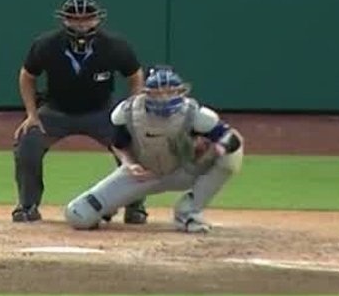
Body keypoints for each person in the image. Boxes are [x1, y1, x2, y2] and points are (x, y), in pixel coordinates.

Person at [64, 66, 245, 234]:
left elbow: (232, 138)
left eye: (170, 92)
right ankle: (109, 207)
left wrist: (214, 150)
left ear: (181, 92)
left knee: (231, 157)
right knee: (78, 215)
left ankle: (188, 212)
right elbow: (118, 144)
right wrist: (130, 164)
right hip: (144, 173)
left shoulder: (195, 114)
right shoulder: (127, 112)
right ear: (147, 93)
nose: (164, 98)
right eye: (158, 93)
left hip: (185, 170)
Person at [13, 0, 145, 223]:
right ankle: (27, 205)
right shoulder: (47, 45)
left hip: (102, 112)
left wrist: (132, 111)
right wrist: (32, 114)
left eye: (87, 19)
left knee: (135, 143)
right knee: (28, 140)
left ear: (97, 20)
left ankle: (135, 207)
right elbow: (27, 75)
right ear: (64, 20)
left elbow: (135, 75)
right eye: (74, 19)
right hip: (56, 111)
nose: (81, 24)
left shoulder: (114, 46)